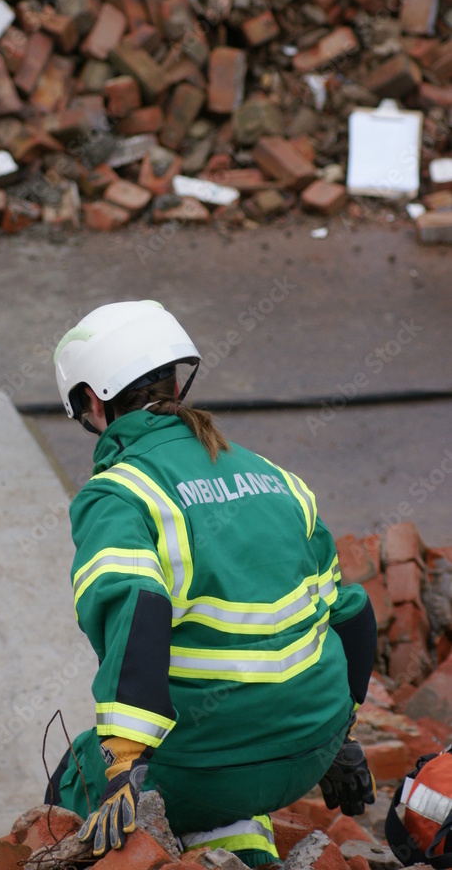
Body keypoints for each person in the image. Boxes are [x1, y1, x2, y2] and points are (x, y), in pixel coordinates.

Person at [47, 299, 377, 867]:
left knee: (74, 774)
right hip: (311, 750)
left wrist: (125, 762)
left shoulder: (119, 494)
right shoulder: (272, 475)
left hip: (208, 767)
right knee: (231, 768)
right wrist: (342, 738)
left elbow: (137, 610)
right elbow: (349, 611)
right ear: (177, 383)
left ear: (93, 402)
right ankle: (242, 850)